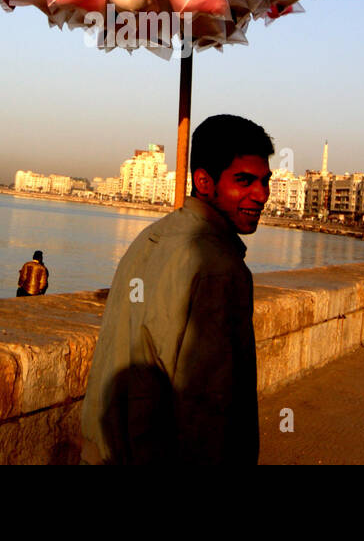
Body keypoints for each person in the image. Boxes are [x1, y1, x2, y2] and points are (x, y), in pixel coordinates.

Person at [80, 114, 272, 464]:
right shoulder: (219, 268)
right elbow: (209, 411)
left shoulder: (150, 239)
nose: (260, 195)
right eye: (244, 181)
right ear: (204, 181)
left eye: (264, 181)